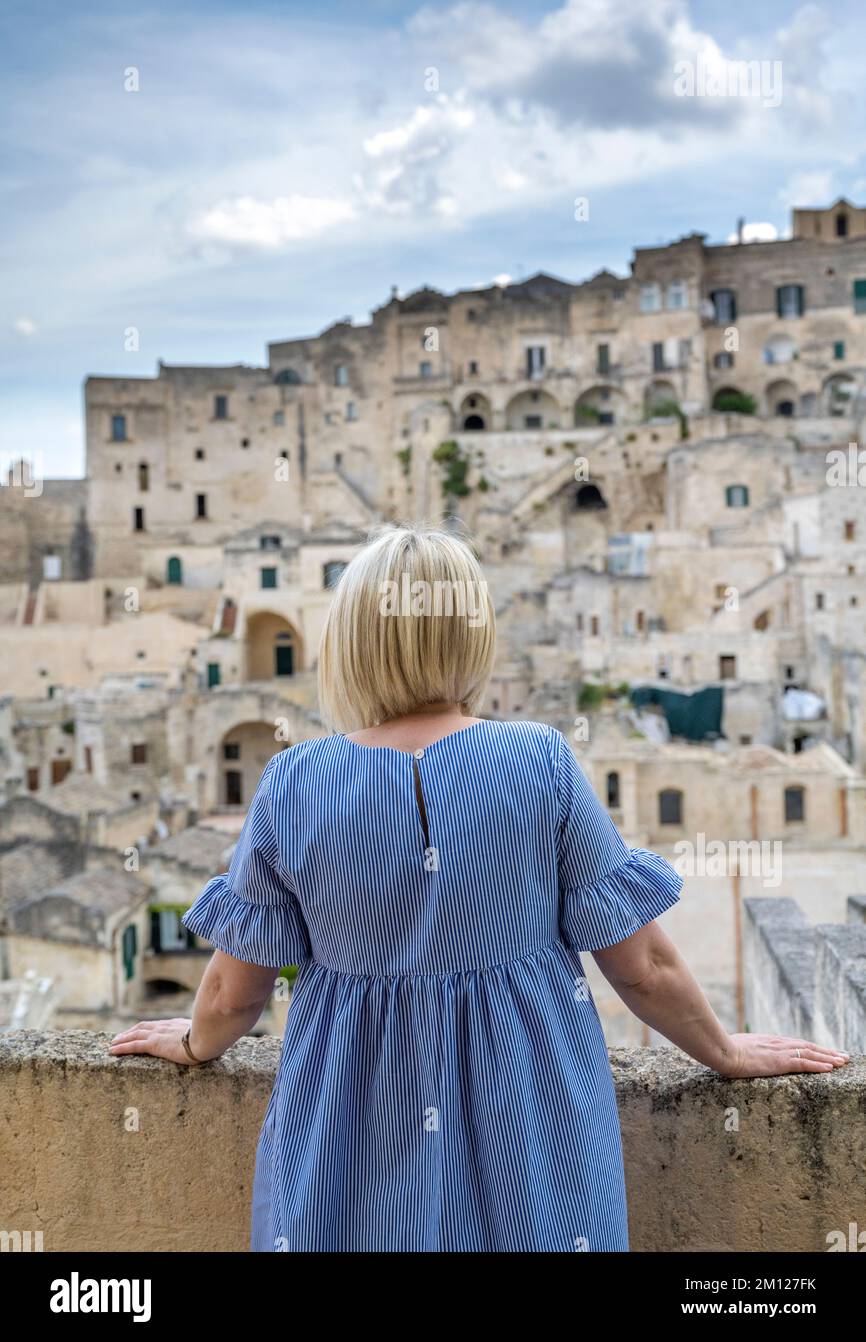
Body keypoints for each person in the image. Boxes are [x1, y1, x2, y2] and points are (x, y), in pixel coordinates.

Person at [111, 525, 848, 1252]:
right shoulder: (541, 762)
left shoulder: (293, 783)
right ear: (473, 637)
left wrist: (194, 1040)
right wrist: (725, 1052)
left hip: (350, 1120)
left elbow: (235, 995)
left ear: (350, 647)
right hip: (530, 1120)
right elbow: (644, 967)